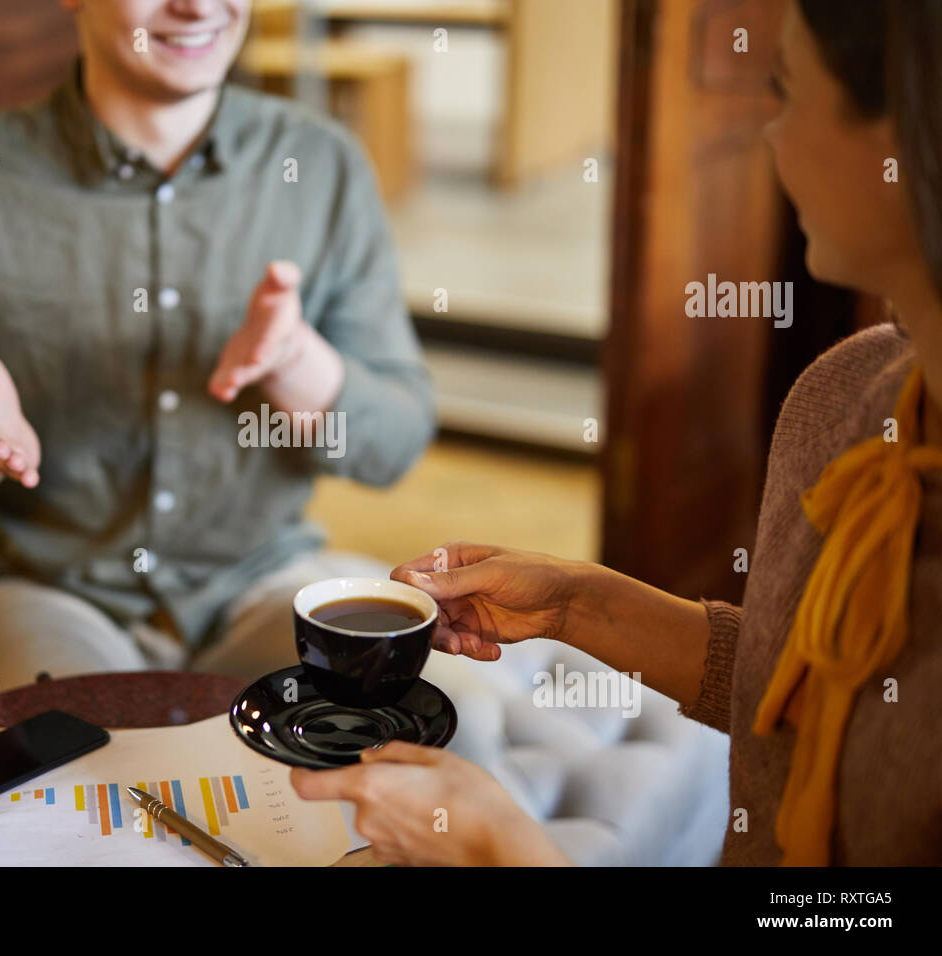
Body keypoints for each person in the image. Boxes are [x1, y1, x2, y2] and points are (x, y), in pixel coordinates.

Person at [293, 0, 942, 866]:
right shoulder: (845, 398)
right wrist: (574, 601)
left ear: (908, 139)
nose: (770, 137)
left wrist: (506, 851)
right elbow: (800, 680)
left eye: (785, 94)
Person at [0, 0, 434, 708]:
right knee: (89, 789)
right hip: (42, 592)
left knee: (440, 733)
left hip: (263, 581)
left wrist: (295, 359)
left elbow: (396, 442)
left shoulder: (323, 168)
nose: (199, 6)